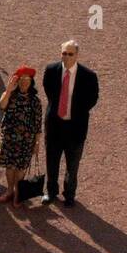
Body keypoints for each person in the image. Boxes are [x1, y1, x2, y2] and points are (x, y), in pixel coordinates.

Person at [41, 40, 98, 208]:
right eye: (64, 53)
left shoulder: (89, 76)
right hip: (54, 127)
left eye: (70, 54)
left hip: (75, 128)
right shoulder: (51, 70)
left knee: (72, 166)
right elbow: (48, 91)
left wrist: (74, 111)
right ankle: (51, 192)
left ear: (77, 55)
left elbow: (92, 99)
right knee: (51, 162)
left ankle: (69, 194)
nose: (66, 57)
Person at [0, 65, 42, 207]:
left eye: (27, 80)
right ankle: (10, 190)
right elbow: (1, 106)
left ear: (31, 82)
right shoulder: (9, 95)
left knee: (21, 168)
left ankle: (18, 192)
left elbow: (38, 124)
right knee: (9, 167)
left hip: (26, 140)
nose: (24, 82)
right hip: (9, 138)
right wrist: (9, 90)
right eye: (21, 79)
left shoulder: (35, 101)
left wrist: (37, 143)